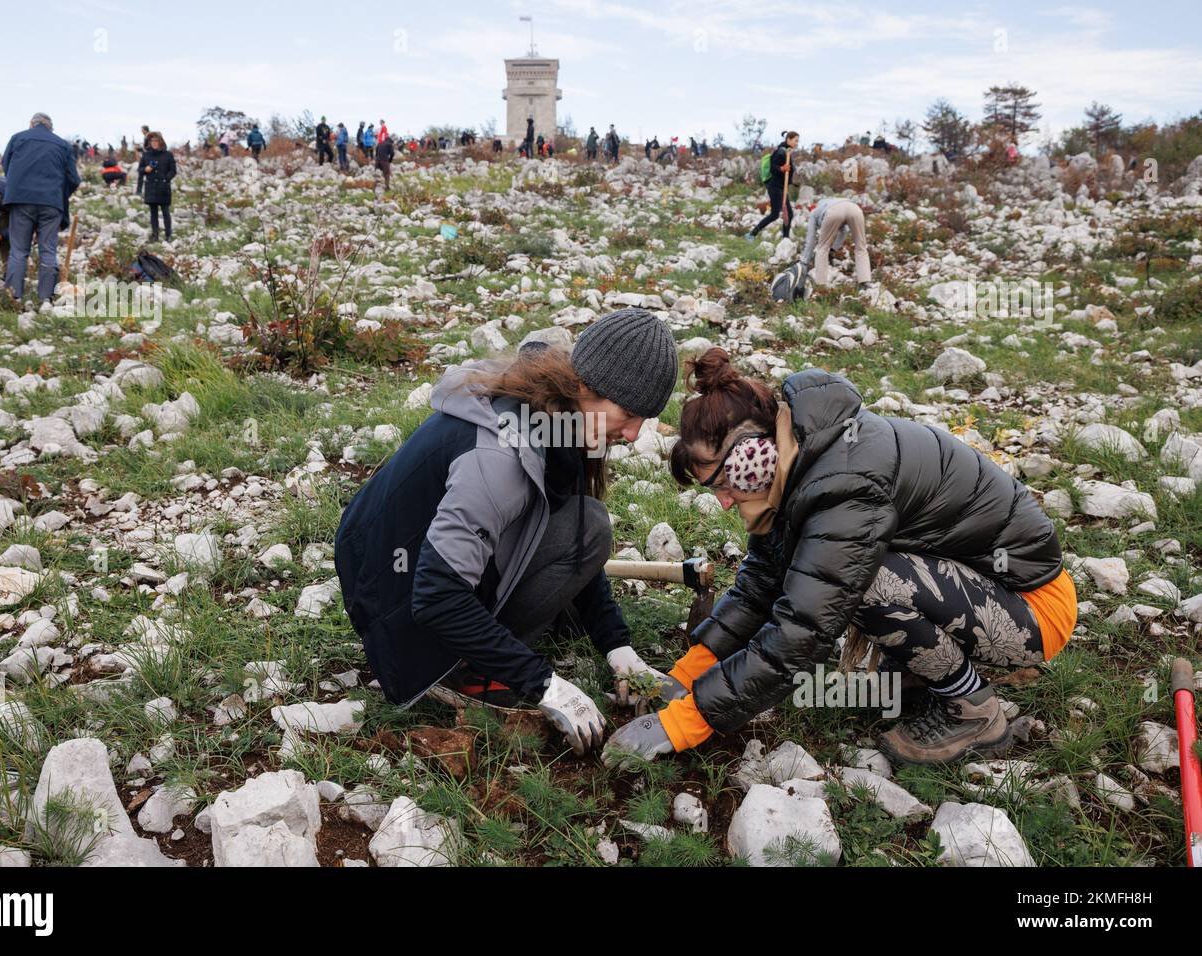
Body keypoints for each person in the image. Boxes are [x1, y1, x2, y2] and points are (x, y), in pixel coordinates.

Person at [604, 348, 1077, 767]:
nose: (724, 501)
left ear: (753, 455)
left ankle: (973, 710)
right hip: (978, 590)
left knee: (863, 584)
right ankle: (920, 674)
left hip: (1035, 611)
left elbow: (804, 628)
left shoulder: (844, 483)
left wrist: (688, 721)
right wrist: (686, 676)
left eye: (723, 483)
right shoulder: (806, 460)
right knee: (842, 576)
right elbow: (763, 583)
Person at [335, 309, 682, 755]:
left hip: (414, 573)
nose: (634, 434)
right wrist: (544, 685)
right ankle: (464, 672)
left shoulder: (558, 420)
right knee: (589, 526)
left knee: (589, 525)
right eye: (629, 413)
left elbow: (574, 534)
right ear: (585, 387)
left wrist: (619, 650)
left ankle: (492, 646)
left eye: (645, 419)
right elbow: (437, 594)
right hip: (399, 609)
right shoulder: (498, 456)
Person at [1, 112, 80, 301]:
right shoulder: (62, 145)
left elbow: (6, 165)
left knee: (18, 251)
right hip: (51, 203)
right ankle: (45, 298)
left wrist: (20, 185)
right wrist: (59, 194)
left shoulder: (17, 138)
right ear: (50, 127)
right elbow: (74, 179)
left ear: (31, 124)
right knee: (48, 250)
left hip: (21, 200)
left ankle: (14, 297)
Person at [800, 196, 870, 288]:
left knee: (822, 248)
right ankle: (865, 282)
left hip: (834, 212)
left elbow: (810, 239)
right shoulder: (833, 202)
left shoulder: (814, 213)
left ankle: (821, 285)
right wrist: (833, 249)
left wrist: (805, 261)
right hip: (855, 209)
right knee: (861, 247)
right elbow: (844, 231)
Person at [748, 130, 798, 240]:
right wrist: (782, 168)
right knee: (775, 214)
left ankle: (785, 239)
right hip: (775, 187)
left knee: (788, 214)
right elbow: (773, 168)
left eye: (797, 141)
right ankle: (751, 234)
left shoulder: (787, 151)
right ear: (788, 139)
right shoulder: (780, 151)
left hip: (782, 187)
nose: (797, 143)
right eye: (795, 141)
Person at [141, 132, 176, 241]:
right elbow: (140, 169)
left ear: (161, 141)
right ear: (149, 142)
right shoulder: (146, 155)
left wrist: (166, 179)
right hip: (151, 186)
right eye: (152, 141)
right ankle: (155, 235)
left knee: (165, 211)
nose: (154, 143)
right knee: (153, 213)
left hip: (163, 187)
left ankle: (168, 235)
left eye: (156, 141)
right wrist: (145, 169)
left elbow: (173, 171)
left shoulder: (168, 155)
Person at [135, 126, 151, 195]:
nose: (141, 131)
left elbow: (148, 147)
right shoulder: (146, 136)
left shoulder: (149, 136)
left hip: (148, 157)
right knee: (141, 172)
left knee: (142, 173)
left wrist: (140, 148)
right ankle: (139, 191)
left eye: (142, 130)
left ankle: (139, 191)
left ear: (145, 130)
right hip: (146, 156)